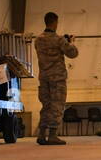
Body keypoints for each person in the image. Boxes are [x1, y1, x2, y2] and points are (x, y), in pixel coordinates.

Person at [33, 12, 78, 145]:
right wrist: (71, 42)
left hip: (44, 78)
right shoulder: (59, 40)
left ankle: (41, 134)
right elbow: (73, 53)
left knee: (46, 106)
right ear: (54, 23)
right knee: (57, 105)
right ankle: (52, 134)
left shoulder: (38, 40)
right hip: (57, 78)